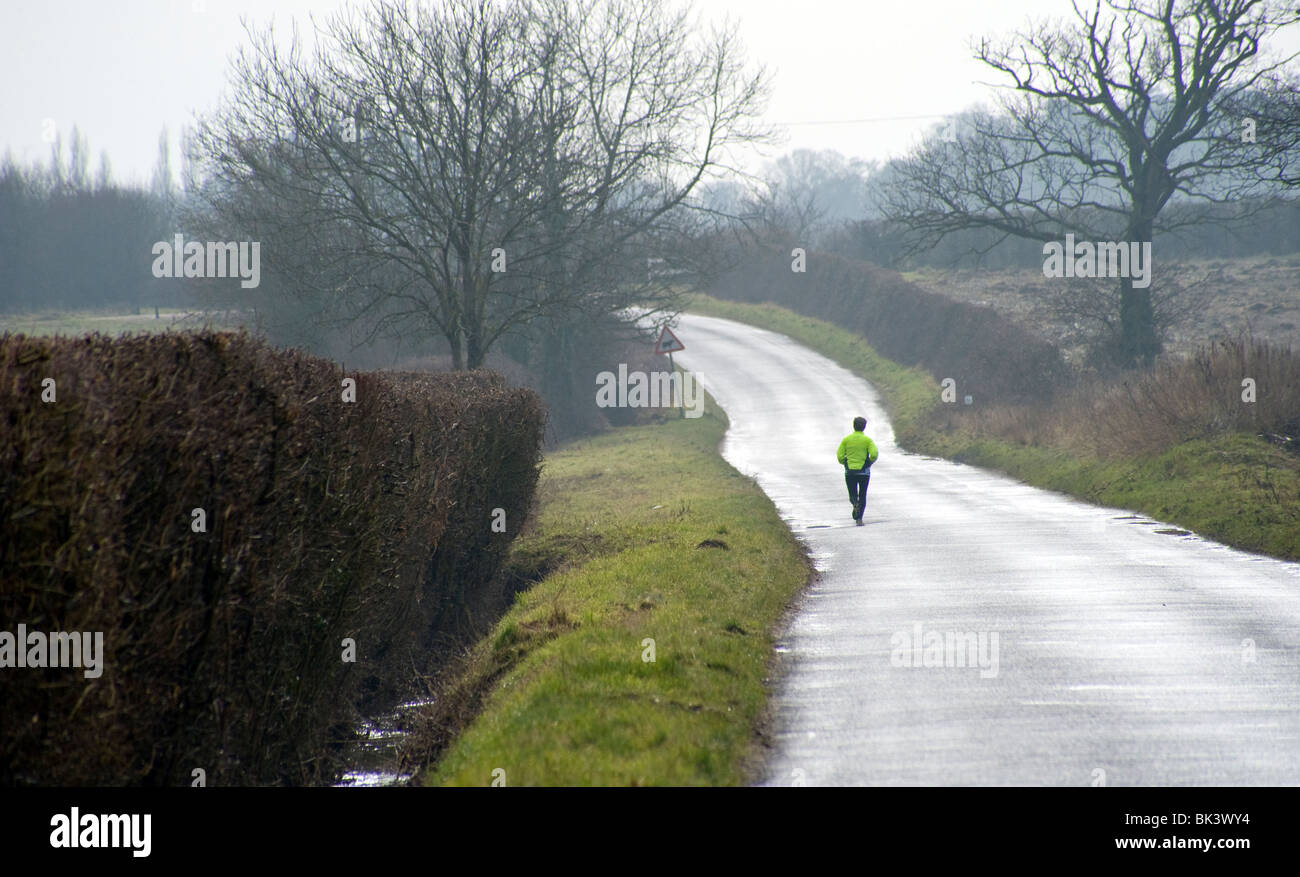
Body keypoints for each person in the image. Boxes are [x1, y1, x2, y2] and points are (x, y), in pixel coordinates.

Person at [836, 416, 878, 525]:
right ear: (864, 427)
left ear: (853, 426)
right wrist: (869, 462)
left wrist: (845, 462)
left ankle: (854, 503)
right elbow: (874, 454)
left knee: (852, 493)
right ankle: (859, 519)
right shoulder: (868, 440)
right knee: (863, 494)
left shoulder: (846, 440)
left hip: (850, 472)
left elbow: (840, 456)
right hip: (864, 472)